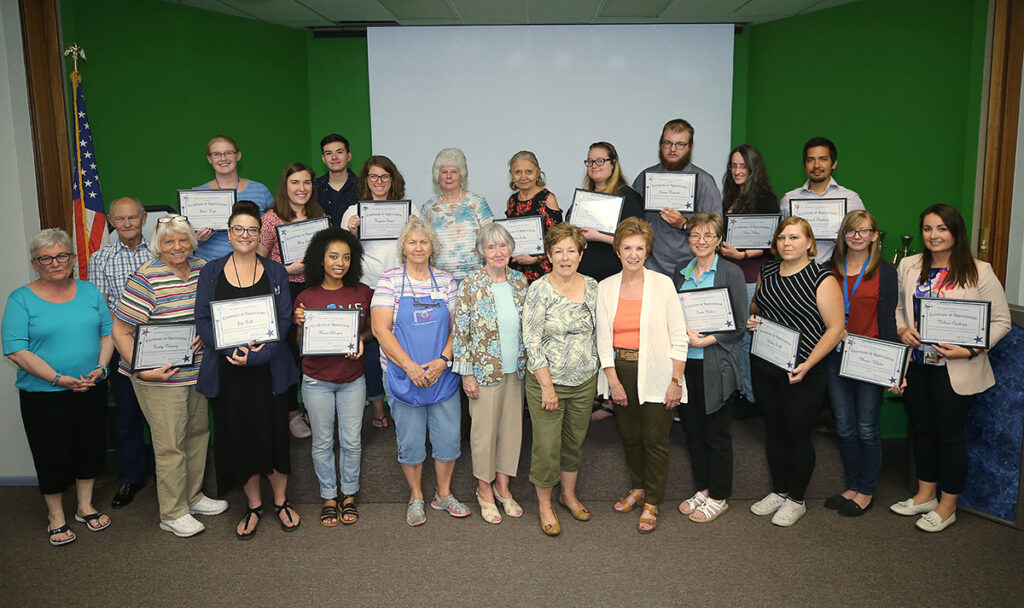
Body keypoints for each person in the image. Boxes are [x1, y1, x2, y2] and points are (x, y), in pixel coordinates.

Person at [891, 204, 1011, 532]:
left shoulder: (979, 271)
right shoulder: (910, 265)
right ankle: (926, 493)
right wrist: (903, 330)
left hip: (955, 369)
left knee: (948, 436)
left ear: (955, 232)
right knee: (921, 430)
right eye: (928, 229)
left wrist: (969, 349)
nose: (934, 235)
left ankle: (948, 505)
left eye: (942, 228)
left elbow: (1002, 322)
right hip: (918, 364)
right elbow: (900, 309)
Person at [111, 215, 227, 537]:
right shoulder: (145, 278)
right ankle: (173, 513)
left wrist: (206, 331)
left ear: (192, 240)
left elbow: (211, 312)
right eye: (168, 241)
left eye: (182, 240)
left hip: (196, 371)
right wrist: (141, 367)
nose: (177, 247)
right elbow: (120, 331)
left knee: (198, 434)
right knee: (170, 445)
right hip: (157, 376)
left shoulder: (203, 268)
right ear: (157, 245)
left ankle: (193, 496)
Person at [195, 201, 301, 539]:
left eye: (252, 230)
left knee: (274, 437)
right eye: (238, 229)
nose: (245, 235)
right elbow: (203, 319)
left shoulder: (275, 272)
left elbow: (283, 321)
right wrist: (233, 352)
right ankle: (254, 505)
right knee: (240, 439)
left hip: (269, 372)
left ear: (260, 234)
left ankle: (281, 502)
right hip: (228, 372)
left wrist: (255, 357)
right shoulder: (210, 271)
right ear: (229, 234)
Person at [2, 229, 113, 546]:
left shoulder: (90, 292)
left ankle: (85, 506)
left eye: (62, 255)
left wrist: (101, 368)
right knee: (52, 453)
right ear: (35, 263)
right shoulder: (20, 298)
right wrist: (56, 378)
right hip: (44, 395)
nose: (55, 263)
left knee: (90, 445)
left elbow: (107, 333)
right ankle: (56, 516)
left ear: (73, 259)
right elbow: (15, 348)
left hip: (90, 386)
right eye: (46, 258)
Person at [370, 217, 469, 527]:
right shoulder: (389, 280)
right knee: (411, 441)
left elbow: (458, 328)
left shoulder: (447, 281)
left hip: (442, 373)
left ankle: (443, 494)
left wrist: (442, 362)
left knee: (449, 438)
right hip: (403, 375)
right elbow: (380, 330)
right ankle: (416, 497)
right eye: (412, 242)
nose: (418, 247)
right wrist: (410, 367)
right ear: (403, 247)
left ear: (432, 247)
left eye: (424, 242)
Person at [747, 217, 844, 527]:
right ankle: (779, 490)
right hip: (766, 365)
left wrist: (808, 364)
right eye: (782, 238)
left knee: (798, 435)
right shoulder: (768, 271)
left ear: (809, 243)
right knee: (773, 431)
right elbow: (758, 307)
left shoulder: (822, 276)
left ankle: (797, 499)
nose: (787, 243)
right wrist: (753, 320)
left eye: (794, 237)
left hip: (803, 370)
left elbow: (835, 328)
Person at [596, 218, 687, 533]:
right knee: (630, 437)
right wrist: (613, 379)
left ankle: (653, 501)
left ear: (647, 251)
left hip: (659, 373)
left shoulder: (662, 284)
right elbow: (602, 339)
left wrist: (676, 382)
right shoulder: (606, 287)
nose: (633, 254)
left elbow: (679, 336)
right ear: (618, 251)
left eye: (639, 248)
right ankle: (638, 487)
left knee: (655, 439)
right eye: (627, 248)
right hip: (620, 370)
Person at [522, 222, 599, 536]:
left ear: (581, 254)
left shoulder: (594, 287)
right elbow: (532, 339)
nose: (565, 257)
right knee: (547, 446)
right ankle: (544, 504)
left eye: (571, 250)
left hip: (584, 381)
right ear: (549, 256)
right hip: (547, 383)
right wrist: (547, 387)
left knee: (573, 443)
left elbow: (599, 333)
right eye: (558, 251)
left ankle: (567, 495)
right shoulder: (539, 289)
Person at [293, 228, 373, 527]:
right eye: (334, 256)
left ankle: (349, 494)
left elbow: (373, 329)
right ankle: (329, 496)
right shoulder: (306, 297)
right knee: (323, 442)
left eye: (347, 257)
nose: (340, 262)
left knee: (352, 441)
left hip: (353, 379)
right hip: (316, 381)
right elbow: (300, 345)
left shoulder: (363, 293)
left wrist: (362, 339)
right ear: (320, 259)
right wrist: (300, 324)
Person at [672, 213, 748, 523]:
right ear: (688, 239)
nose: (701, 241)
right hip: (687, 365)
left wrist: (710, 340)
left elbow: (740, 324)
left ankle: (719, 495)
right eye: (695, 235)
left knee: (716, 433)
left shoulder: (731, 273)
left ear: (718, 240)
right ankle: (702, 489)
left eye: (708, 236)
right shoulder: (681, 274)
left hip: (718, 365)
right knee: (693, 431)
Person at [822, 210, 898, 517]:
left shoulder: (886, 271)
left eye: (864, 231)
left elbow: (889, 321)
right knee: (844, 425)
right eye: (851, 231)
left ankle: (867, 490)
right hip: (836, 355)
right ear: (843, 236)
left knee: (867, 427)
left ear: (875, 236)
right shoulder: (830, 270)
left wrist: (895, 367)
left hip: (870, 357)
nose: (857, 237)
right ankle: (852, 485)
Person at [452, 223, 529, 524]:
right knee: (483, 435)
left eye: (503, 246)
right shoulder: (470, 284)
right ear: (481, 252)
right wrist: (466, 374)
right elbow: (460, 334)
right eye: (491, 247)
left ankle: (503, 488)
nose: (498, 252)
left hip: (516, 371)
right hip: (483, 372)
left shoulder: (521, 282)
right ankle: (483, 490)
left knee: (512, 432)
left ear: (511, 249)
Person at [88, 196, 153, 509]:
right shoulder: (100, 258)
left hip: (160, 341)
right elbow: (101, 306)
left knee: (164, 412)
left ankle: (162, 470)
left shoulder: (160, 249)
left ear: (142, 218)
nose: (127, 224)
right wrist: (121, 338)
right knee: (127, 414)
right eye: (120, 219)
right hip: (121, 342)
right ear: (112, 221)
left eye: (132, 218)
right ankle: (131, 476)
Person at [343, 155, 413, 429]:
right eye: (373, 176)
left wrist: (414, 223)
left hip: (402, 285)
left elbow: (419, 242)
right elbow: (342, 252)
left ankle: (406, 402)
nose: (379, 182)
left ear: (392, 179)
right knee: (372, 350)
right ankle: (378, 407)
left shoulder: (408, 208)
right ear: (366, 180)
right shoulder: (352, 211)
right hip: (368, 286)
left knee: (405, 344)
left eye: (385, 176)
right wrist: (351, 230)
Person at [259, 162, 328, 439]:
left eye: (307, 183)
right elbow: (258, 263)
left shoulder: (320, 216)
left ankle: (314, 408)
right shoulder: (271, 219)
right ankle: (291, 413)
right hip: (285, 292)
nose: (302, 189)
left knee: (314, 351)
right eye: (295, 183)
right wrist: (288, 270)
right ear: (285, 187)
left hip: (316, 291)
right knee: (288, 355)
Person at [717, 144, 780, 410]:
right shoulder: (730, 196)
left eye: (743, 166)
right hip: (729, 276)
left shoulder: (765, 199)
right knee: (730, 336)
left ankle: (751, 398)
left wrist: (742, 255)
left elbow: (773, 244)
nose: (737, 171)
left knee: (747, 338)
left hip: (753, 278)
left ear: (754, 168)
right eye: (733, 165)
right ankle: (739, 392)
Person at [631, 119, 723, 276]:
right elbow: (631, 223)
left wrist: (684, 224)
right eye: (668, 143)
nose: (673, 149)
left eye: (680, 144)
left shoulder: (704, 182)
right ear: (660, 144)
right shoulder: (645, 178)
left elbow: (715, 232)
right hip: (649, 268)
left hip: (688, 271)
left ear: (691, 147)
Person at [780, 137, 865, 264]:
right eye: (810, 160)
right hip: (797, 273)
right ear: (804, 165)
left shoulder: (851, 200)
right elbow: (780, 240)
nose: (816, 165)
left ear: (834, 163)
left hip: (839, 273)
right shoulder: (789, 200)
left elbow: (864, 238)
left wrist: (845, 238)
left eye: (823, 159)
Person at [192, 135, 274, 261]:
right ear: (209, 159)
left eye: (228, 153)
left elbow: (273, 226)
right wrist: (197, 239)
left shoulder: (260, 190)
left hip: (252, 265)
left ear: (238, 156)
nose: (223, 158)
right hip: (208, 266)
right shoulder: (197, 195)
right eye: (217, 154)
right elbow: (186, 241)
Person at [420, 147, 494, 282]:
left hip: (476, 277)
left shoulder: (477, 202)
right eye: (444, 172)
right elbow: (423, 243)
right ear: (438, 176)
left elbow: (492, 239)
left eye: (453, 172)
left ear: (461, 175)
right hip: (439, 280)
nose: (449, 176)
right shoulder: (428, 208)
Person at [577, 141, 644, 283]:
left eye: (600, 161)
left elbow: (636, 241)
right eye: (590, 161)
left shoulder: (629, 197)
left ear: (613, 164)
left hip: (614, 276)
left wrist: (598, 236)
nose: (594, 166)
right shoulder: (583, 197)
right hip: (584, 277)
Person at [504, 150, 562, 282]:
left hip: (543, 271)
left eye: (529, 172)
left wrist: (537, 258)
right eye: (518, 172)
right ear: (512, 175)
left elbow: (558, 238)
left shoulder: (548, 199)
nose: (523, 177)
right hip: (516, 271)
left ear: (537, 173)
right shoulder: (511, 201)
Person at [315, 134, 359, 227]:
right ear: (323, 159)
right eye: (328, 153)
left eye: (339, 152)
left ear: (349, 156)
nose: (334, 157)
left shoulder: (362, 186)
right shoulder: (314, 188)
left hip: (353, 241)